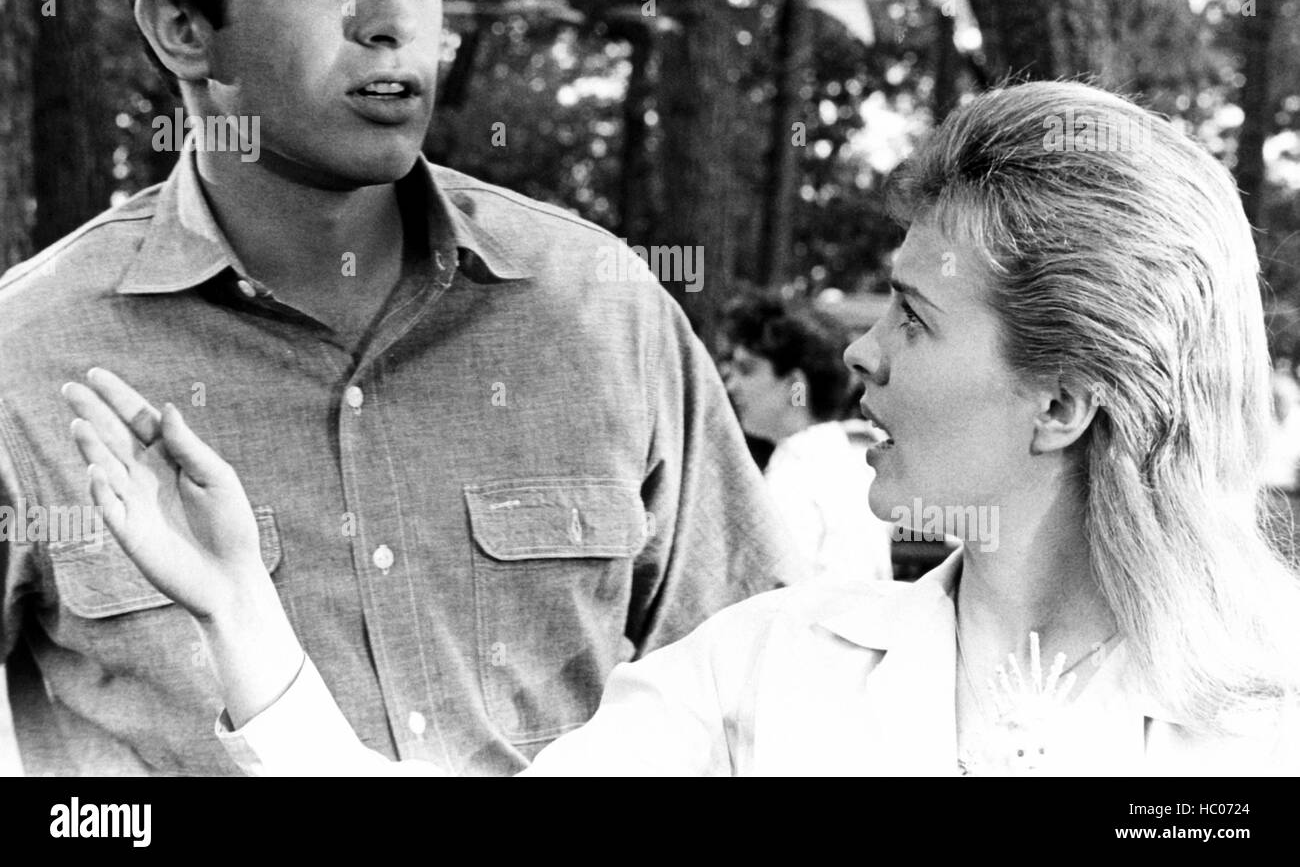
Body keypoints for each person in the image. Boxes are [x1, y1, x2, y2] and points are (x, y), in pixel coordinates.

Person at [64, 81, 1300, 774]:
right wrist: (239, 606)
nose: (858, 350)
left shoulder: (1273, 705)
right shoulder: (766, 666)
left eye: (915, 319)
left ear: (1065, 402)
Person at [0, 0, 794, 776]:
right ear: (184, 29)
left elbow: (760, 712)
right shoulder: (30, 362)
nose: (393, 18)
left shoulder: (603, 314)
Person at [720, 296, 894, 582]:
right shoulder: (847, 460)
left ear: (794, 387)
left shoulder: (796, 474)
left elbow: (777, 596)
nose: (732, 384)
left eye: (747, 369)